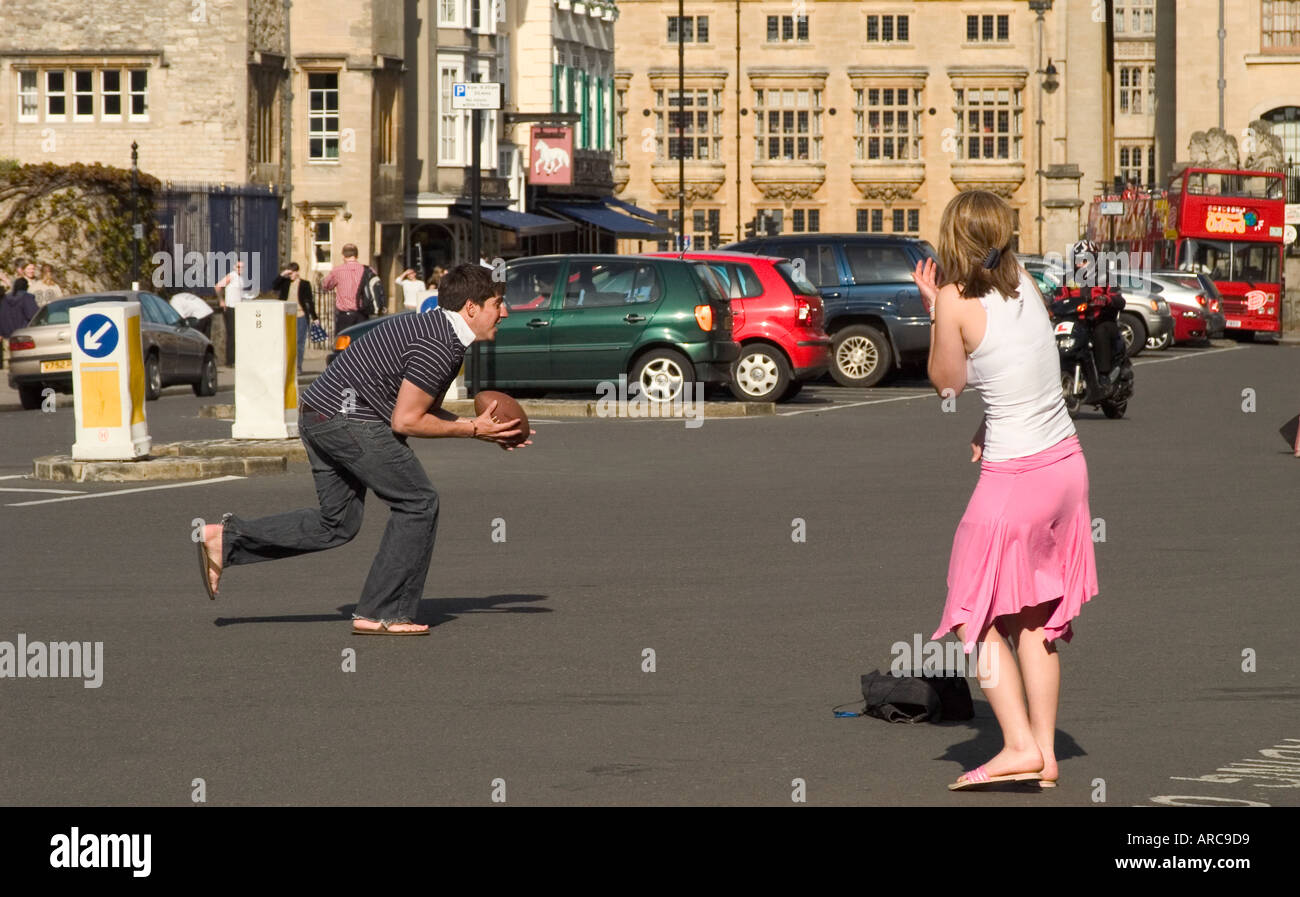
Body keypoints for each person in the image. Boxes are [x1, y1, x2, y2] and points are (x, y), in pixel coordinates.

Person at [194, 264, 534, 635]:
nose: (504, 312)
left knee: (337, 523)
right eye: (497, 303)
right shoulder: (442, 343)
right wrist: (471, 429)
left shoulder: (434, 329)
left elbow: (419, 406)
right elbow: (405, 421)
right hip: (349, 420)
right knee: (418, 503)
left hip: (319, 413)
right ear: (471, 307)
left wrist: (486, 429)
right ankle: (383, 611)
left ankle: (228, 539)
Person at [913, 190, 1098, 791]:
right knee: (1035, 618)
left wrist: (936, 309)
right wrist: (986, 425)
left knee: (972, 610)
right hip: (1065, 466)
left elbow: (947, 381)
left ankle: (1017, 745)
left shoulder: (954, 299)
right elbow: (1025, 369)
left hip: (1017, 476)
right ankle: (1044, 756)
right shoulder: (1024, 284)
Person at [272, 262, 317, 376]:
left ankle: (298, 367)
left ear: (297, 272)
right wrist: (283, 274)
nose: (290, 275)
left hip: (301, 315)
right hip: (286, 315)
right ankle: (287, 366)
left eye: (292, 273)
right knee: (286, 342)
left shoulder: (305, 284)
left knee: (299, 343)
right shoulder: (285, 282)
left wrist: (314, 317)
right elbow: (274, 286)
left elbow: (309, 301)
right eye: (289, 273)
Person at [321, 243, 368, 334]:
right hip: (363, 315)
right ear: (357, 255)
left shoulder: (338, 270)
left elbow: (326, 286)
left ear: (343, 256)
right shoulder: (366, 269)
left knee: (343, 345)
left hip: (345, 316)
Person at [214, 258, 253, 365]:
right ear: (234, 267)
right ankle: (230, 360)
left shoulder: (241, 279)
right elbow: (218, 286)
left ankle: (236, 358)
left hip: (239, 308)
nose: (240, 269)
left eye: (242, 267)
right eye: (238, 267)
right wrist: (221, 301)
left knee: (238, 333)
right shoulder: (232, 276)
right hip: (230, 307)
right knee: (232, 333)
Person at [0, 277, 39, 370]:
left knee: (8, 361)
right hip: (24, 335)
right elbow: (33, 315)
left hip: (7, 335)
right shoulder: (27, 297)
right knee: (24, 361)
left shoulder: (5, 299)